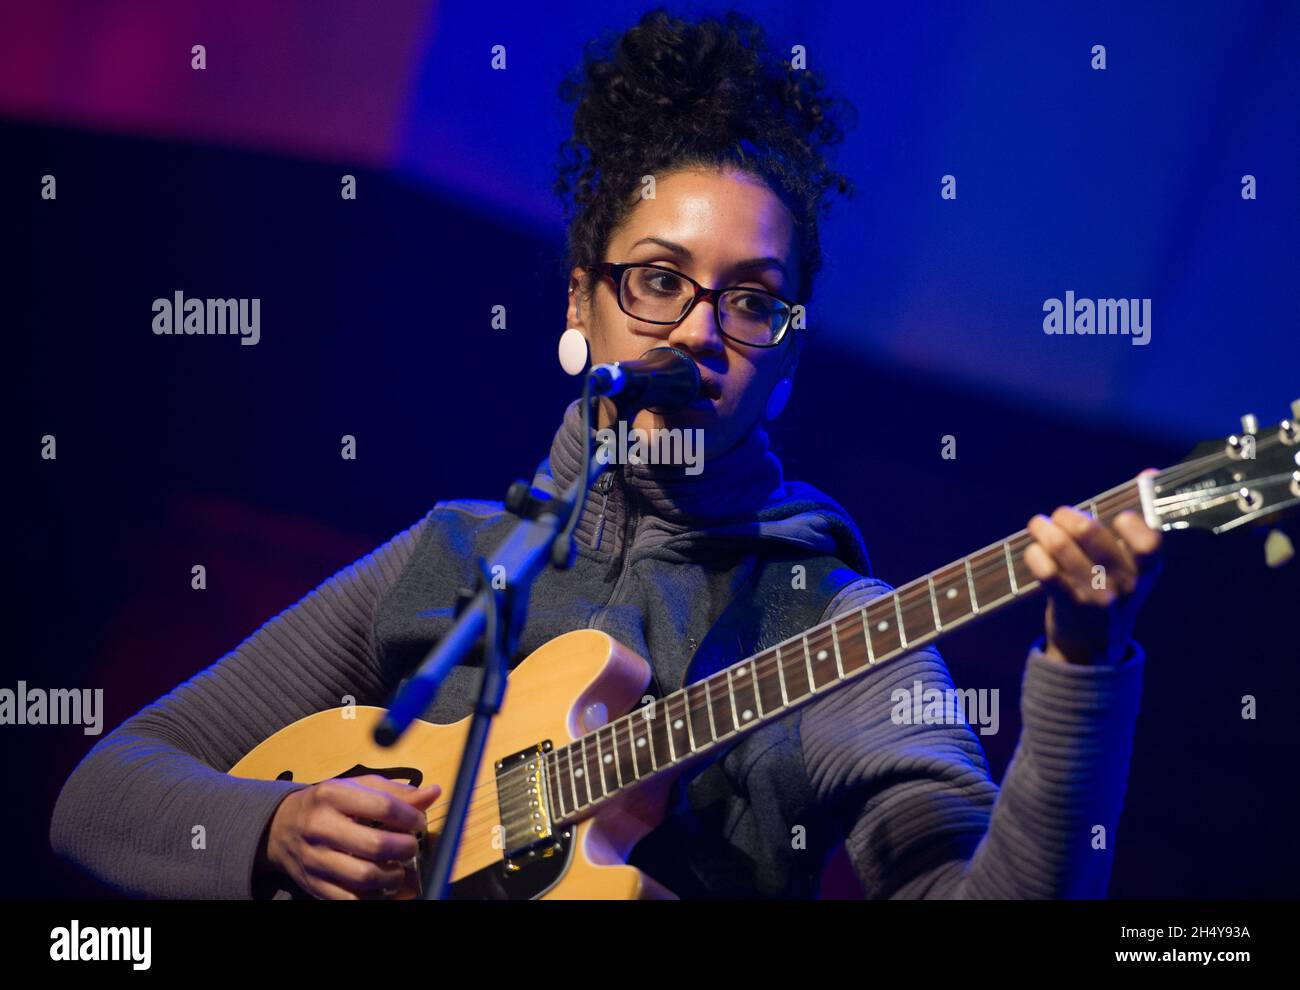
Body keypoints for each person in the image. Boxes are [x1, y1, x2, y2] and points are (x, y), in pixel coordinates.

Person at [50, 8, 1161, 900]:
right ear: (580, 302)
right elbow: (100, 793)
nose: (694, 330)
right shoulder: (447, 553)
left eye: (751, 301)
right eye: (658, 280)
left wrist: (1080, 669)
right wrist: (279, 827)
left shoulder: (842, 632)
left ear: (787, 358)